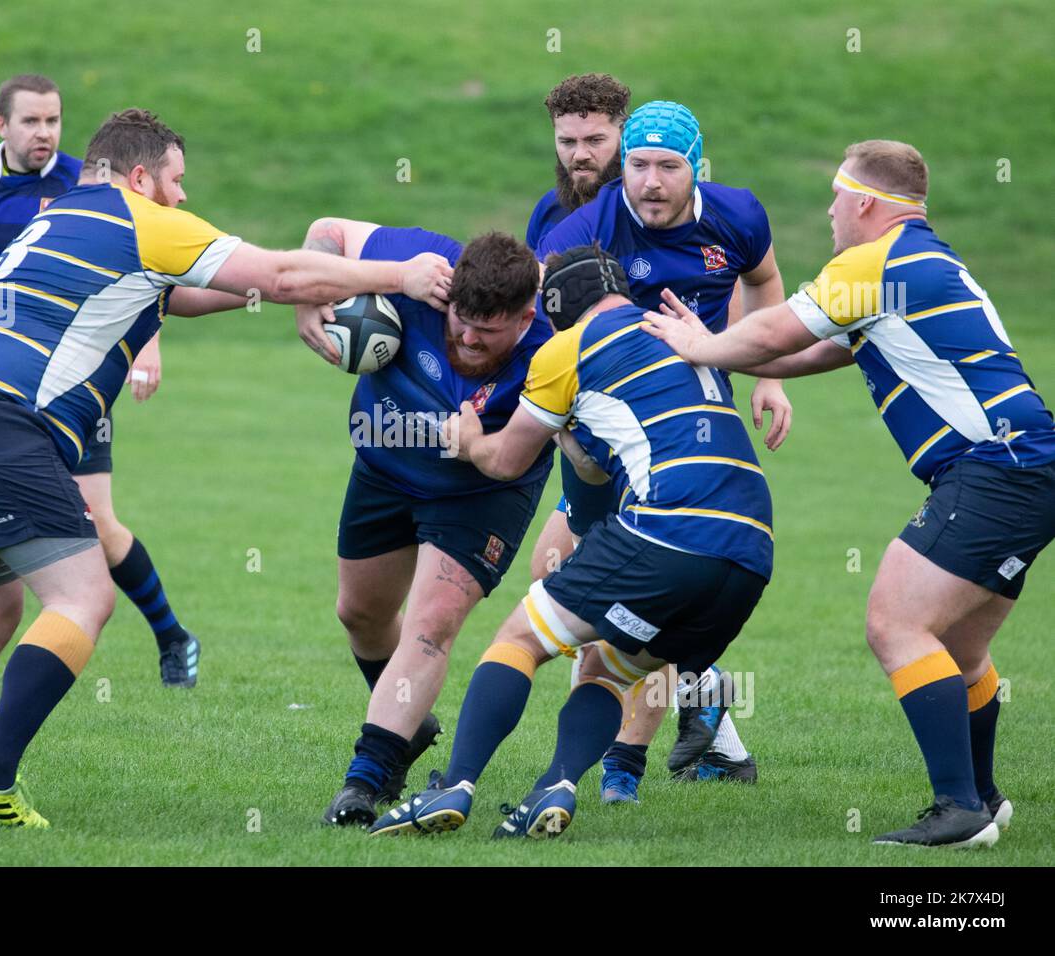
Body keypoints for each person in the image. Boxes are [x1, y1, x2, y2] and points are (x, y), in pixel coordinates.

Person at [0, 108, 452, 827]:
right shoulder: (141, 219)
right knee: (82, 598)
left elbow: (193, 295)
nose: (182, 198)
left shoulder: (61, 215)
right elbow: (281, 270)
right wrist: (400, 274)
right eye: (176, 182)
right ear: (141, 177)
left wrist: (307, 291)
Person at [644, 139, 1055, 848]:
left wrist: (699, 347)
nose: (830, 211)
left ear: (864, 200)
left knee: (894, 624)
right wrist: (724, 355)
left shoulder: (874, 261)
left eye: (836, 197)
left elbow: (776, 326)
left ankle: (957, 808)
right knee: (959, 649)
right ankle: (982, 801)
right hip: (1026, 468)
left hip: (994, 469)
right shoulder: (926, 259)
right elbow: (819, 347)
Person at [369, 245, 772, 838]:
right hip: (750, 554)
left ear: (554, 310)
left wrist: (470, 438)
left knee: (518, 640)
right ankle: (554, 786)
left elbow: (506, 462)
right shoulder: (682, 337)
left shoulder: (568, 349)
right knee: (608, 670)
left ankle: (452, 787)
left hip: (670, 529)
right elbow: (600, 463)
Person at [0, 74, 202, 689]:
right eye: (32, 121)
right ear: (0, 125)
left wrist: (149, 347)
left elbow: (138, 268)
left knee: (96, 522)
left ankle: (171, 636)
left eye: (54, 121)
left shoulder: (83, 183)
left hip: (71, 374)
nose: (45, 133)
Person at [535, 96, 787, 796]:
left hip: (690, 430)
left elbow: (763, 282)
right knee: (556, 575)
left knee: (641, 604)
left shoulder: (736, 215)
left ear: (694, 167)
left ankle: (623, 767)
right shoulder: (578, 229)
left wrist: (766, 375)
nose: (648, 179)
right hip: (609, 424)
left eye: (664, 165)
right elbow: (541, 327)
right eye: (637, 165)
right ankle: (706, 706)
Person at [295, 220, 555, 826]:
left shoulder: (551, 341)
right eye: (458, 321)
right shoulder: (428, 266)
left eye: (486, 332)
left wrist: (474, 445)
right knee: (359, 613)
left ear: (523, 319)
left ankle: (365, 779)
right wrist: (310, 297)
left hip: (485, 491)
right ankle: (408, 730)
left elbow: (513, 455)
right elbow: (326, 231)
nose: (465, 337)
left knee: (431, 623)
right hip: (385, 467)